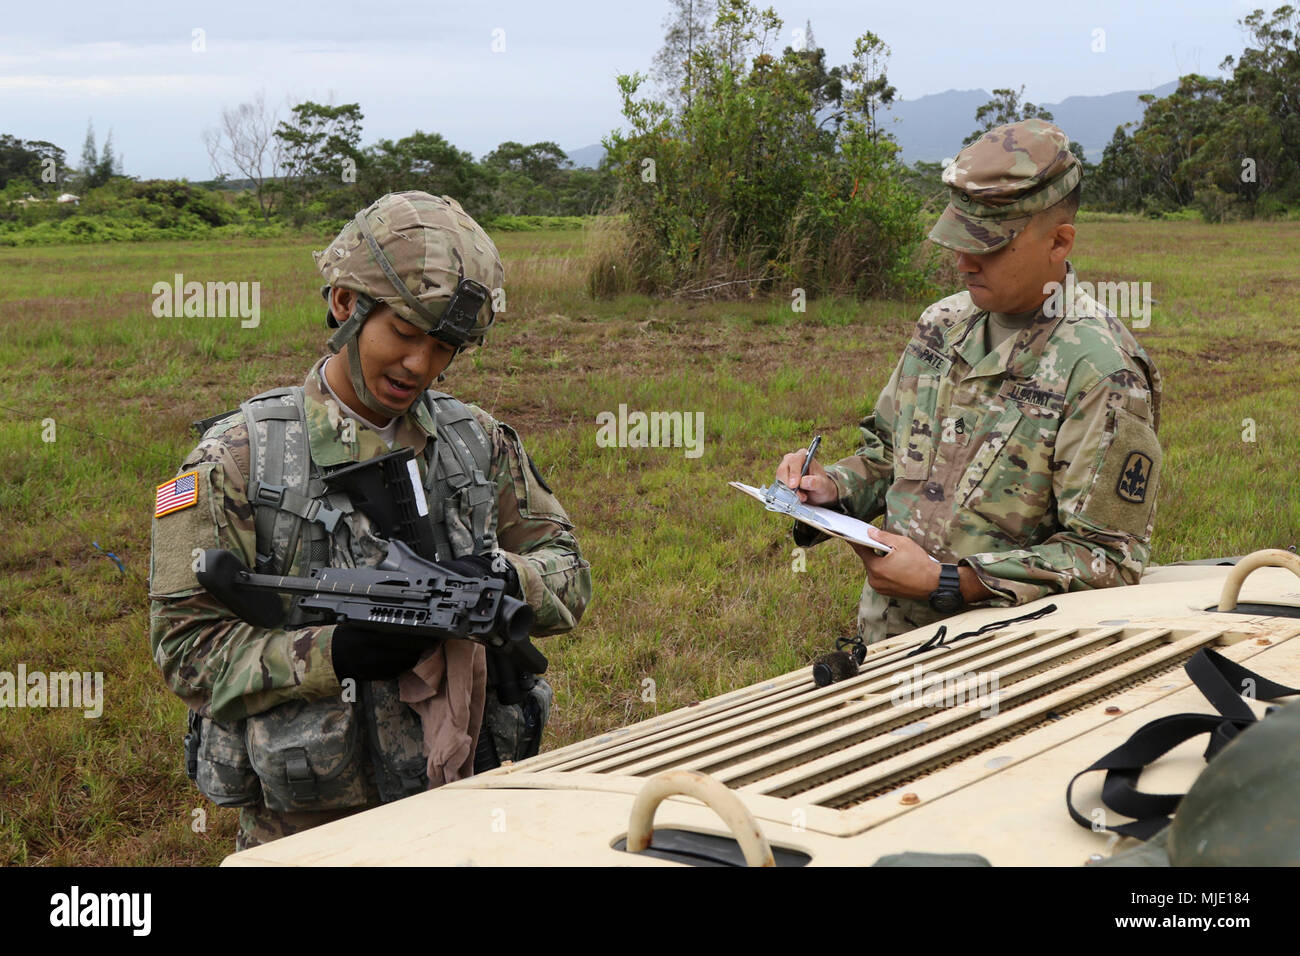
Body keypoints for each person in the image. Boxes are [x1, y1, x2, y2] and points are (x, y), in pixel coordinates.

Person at [149, 191, 592, 850]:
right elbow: (186, 652)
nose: (422, 366)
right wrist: (335, 653)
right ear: (345, 304)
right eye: (406, 334)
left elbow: (570, 575)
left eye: (444, 346)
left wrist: (505, 581)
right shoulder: (236, 461)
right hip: (313, 829)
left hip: (471, 805)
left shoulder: (479, 443)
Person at [776, 119, 1163, 645]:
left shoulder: (1100, 371)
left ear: (1059, 241)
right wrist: (831, 488)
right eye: (958, 240)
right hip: (888, 642)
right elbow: (889, 454)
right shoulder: (942, 325)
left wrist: (951, 583)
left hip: (1006, 660)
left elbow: (1109, 557)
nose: (962, 262)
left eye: (988, 246)